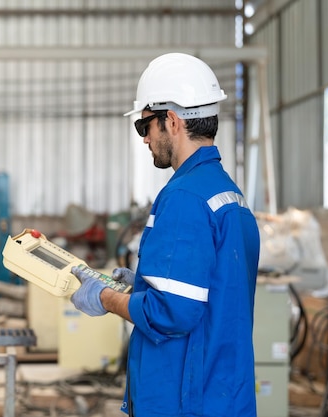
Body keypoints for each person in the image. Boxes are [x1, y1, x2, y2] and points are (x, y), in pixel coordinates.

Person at [70, 53, 261, 417]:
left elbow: (174, 311)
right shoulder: (228, 194)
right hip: (223, 394)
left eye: (145, 127)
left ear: (171, 121)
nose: (144, 140)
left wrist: (106, 298)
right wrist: (141, 285)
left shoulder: (184, 197)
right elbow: (208, 291)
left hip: (185, 401)